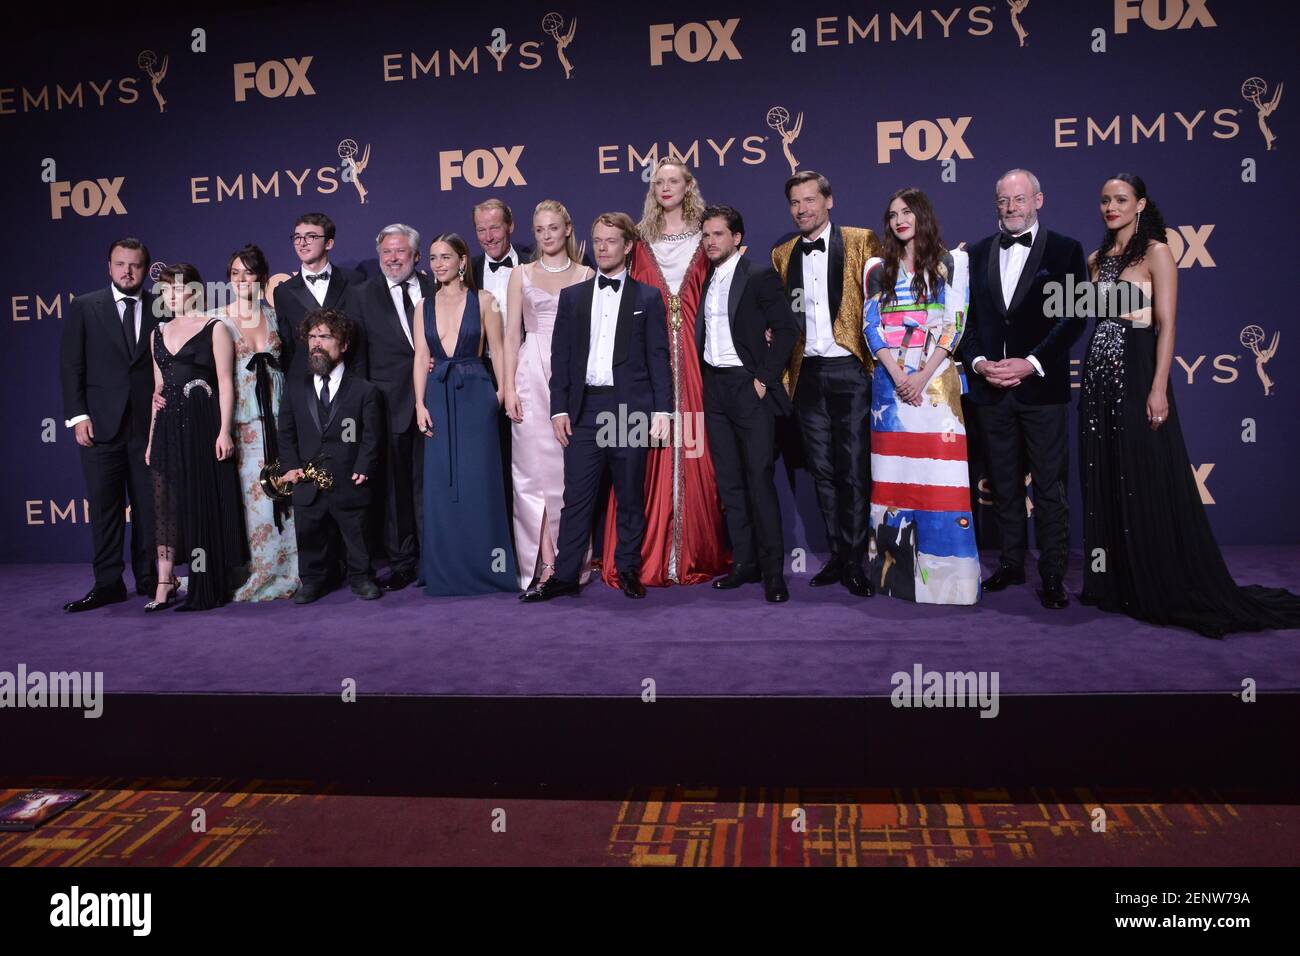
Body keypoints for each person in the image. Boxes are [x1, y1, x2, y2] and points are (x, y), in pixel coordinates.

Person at [1080, 174, 1300, 636]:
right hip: (1098, 377)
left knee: (1143, 473)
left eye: (1120, 199)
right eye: (1105, 200)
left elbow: (1167, 325)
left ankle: (1153, 582)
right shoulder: (1095, 259)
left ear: (1140, 203)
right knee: (1104, 472)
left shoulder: (1158, 251)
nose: (1111, 207)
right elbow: (1099, 322)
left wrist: (1158, 387)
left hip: (1138, 370)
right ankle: (1114, 582)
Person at [522, 212, 672, 602]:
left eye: (611, 240)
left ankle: (628, 571)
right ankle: (565, 575)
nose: (603, 247)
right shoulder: (574, 297)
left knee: (629, 497)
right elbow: (562, 357)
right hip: (585, 410)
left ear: (628, 246)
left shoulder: (648, 297)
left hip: (629, 410)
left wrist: (662, 411)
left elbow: (659, 357)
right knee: (576, 500)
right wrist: (558, 409)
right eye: (598, 240)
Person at [958, 168, 1086, 610]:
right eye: (1003, 201)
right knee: (1005, 484)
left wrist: (1030, 364)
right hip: (990, 388)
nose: (1011, 208)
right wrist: (978, 363)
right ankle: (1011, 563)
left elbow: (1074, 318)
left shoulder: (1067, 250)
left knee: (1050, 487)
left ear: (1038, 200)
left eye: (1019, 199)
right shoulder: (973, 254)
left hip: (1041, 390)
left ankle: (1052, 573)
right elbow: (965, 321)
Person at [607, 157, 729, 588]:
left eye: (674, 180)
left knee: (699, 451)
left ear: (688, 185)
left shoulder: (708, 237)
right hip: (648, 363)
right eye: (658, 181)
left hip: (697, 360)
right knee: (642, 450)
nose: (666, 187)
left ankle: (693, 552)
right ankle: (644, 556)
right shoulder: (637, 241)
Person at [863, 189, 979, 605]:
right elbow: (870, 326)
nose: (899, 220)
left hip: (936, 386)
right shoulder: (877, 267)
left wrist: (922, 376)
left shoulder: (953, 263)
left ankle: (948, 581)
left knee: (939, 479)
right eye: (892, 214)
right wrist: (898, 376)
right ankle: (896, 577)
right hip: (890, 391)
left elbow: (956, 324)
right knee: (895, 479)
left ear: (923, 215)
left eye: (907, 212)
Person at [771, 170, 882, 596]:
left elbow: (878, 305)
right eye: (795, 203)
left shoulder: (861, 240)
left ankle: (856, 561)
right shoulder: (782, 254)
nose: (802, 209)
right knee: (822, 471)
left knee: (853, 470)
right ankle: (838, 555)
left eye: (809, 200)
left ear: (828, 201)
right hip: (807, 375)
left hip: (850, 369)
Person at [696, 205, 799, 603]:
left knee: (758, 480)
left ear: (736, 238)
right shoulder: (707, 279)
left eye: (718, 234)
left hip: (748, 388)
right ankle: (744, 564)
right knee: (731, 484)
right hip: (715, 389)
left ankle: (774, 574)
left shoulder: (759, 276)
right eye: (705, 235)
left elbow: (788, 330)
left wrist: (762, 381)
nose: (710, 242)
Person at [413, 233, 519, 596]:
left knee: (480, 482)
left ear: (462, 261)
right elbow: (419, 358)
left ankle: (491, 568)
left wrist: (502, 391)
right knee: (443, 486)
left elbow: (500, 348)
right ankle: (445, 571)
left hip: (476, 392)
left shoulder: (485, 301)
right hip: (438, 396)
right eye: (432, 257)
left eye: (445, 257)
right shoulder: (422, 305)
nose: (438, 264)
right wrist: (419, 403)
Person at [59, 238, 160, 611]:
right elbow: (71, 365)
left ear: (145, 268)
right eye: (120, 264)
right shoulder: (86, 306)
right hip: (100, 426)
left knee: (150, 508)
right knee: (105, 507)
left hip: (148, 426)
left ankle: (150, 579)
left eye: (134, 265)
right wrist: (78, 416)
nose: (127, 271)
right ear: (109, 267)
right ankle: (107, 583)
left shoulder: (161, 306)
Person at [502, 200, 594, 591]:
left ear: (568, 228)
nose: (547, 235)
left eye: (553, 228)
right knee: (530, 475)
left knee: (568, 473)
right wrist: (507, 388)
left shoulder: (588, 274)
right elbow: (509, 336)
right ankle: (544, 562)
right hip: (530, 376)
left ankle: (572, 559)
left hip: (574, 376)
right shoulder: (519, 274)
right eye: (539, 229)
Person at [144, 263, 247, 611]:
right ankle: (163, 584)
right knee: (165, 509)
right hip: (167, 430)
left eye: (177, 289)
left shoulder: (214, 328)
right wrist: (150, 438)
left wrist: (224, 430)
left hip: (203, 425)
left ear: (194, 291)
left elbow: (226, 382)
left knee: (201, 503)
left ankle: (205, 582)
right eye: (165, 291)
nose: (171, 296)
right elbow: (157, 390)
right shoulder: (156, 333)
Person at [348, 224, 436, 592]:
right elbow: (358, 362)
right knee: (397, 491)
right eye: (387, 252)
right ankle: (403, 562)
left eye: (401, 252)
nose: (393, 258)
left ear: (416, 256)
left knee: (433, 485)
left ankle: (438, 555)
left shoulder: (437, 285)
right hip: (389, 405)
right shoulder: (361, 295)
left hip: (439, 399)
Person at [211, 244, 299, 601]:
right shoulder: (217, 319)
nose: (242, 279)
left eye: (248, 272)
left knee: (287, 494)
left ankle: (293, 568)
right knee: (255, 501)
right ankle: (261, 568)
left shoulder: (277, 316)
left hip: (281, 419)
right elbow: (216, 378)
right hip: (244, 425)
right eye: (235, 273)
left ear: (261, 277)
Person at [278, 309, 383, 603]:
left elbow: (371, 436)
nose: (316, 343)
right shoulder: (295, 387)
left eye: (325, 336)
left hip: (349, 477)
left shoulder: (364, 390)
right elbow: (285, 431)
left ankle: (361, 577)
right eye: (312, 337)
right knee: (309, 532)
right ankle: (312, 580)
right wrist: (291, 467)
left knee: (356, 533)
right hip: (307, 480)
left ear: (344, 344)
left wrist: (364, 465)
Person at [273, 212, 363, 376]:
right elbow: (288, 347)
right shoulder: (283, 292)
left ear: (329, 243)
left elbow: (362, 336)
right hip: (304, 383)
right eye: (298, 237)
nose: (302, 243)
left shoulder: (355, 281)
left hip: (350, 379)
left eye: (311, 236)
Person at [468, 199, 532, 321]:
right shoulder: (468, 271)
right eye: (481, 230)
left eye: (495, 228)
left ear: (510, 226)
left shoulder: (532, 265)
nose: (488, 237)